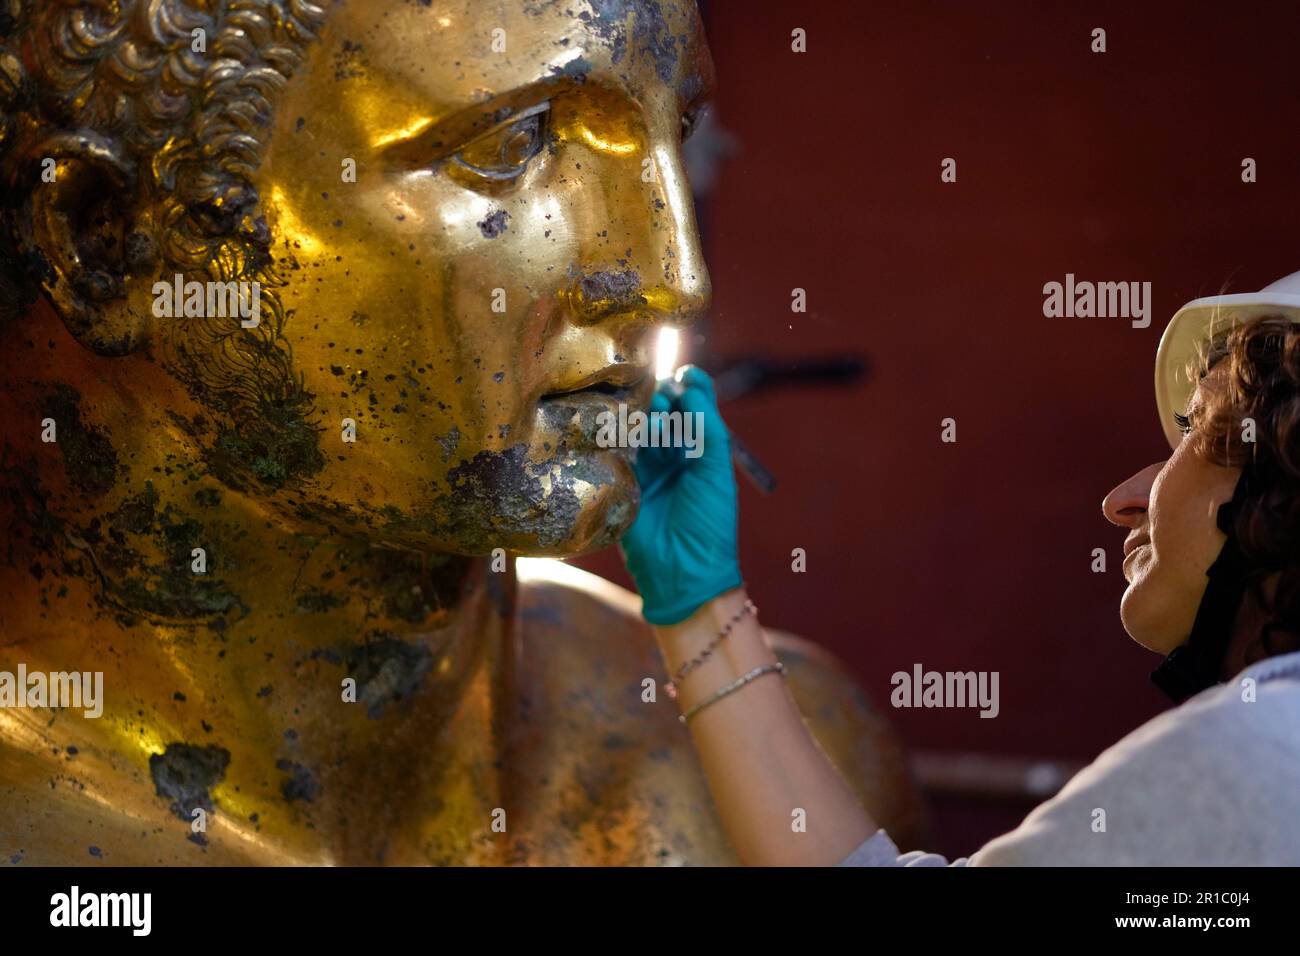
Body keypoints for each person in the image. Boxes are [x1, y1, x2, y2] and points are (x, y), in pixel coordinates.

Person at [620, 274, 1300, 866]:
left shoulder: (1250, 756)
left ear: (1280, 493)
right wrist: (699, 602)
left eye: (1195, 427)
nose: (1124, 499)